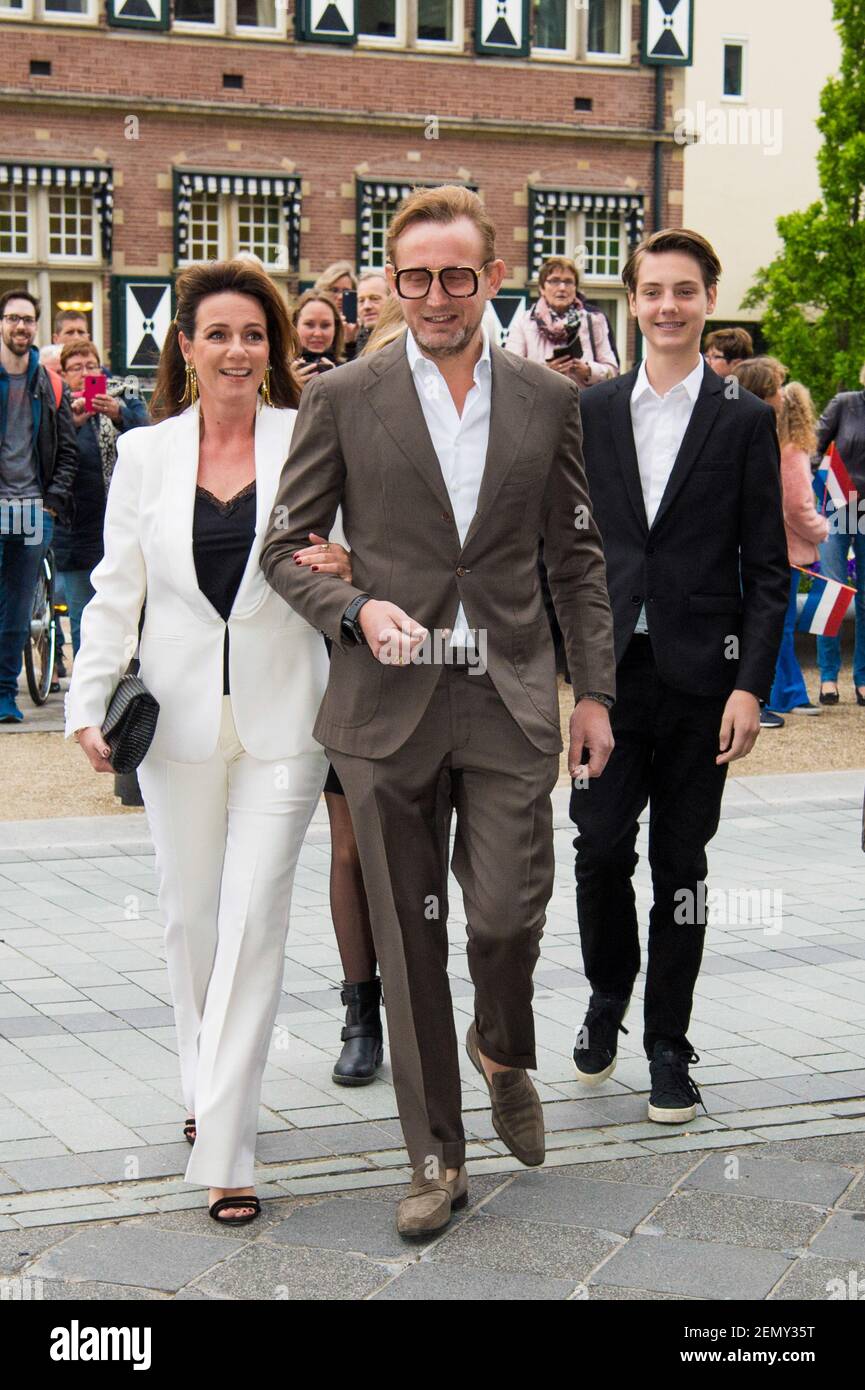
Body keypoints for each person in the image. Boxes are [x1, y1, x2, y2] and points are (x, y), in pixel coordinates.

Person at [261, 183, 616, 1238]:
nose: (435, 295)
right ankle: (433, 1157)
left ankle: (501, 1044)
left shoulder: (549, 400)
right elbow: (284, 545)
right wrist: (356, 603)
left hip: (507, 695)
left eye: (456, 275)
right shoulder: (345, 396)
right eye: (413, 277)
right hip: (384, 705)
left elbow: (578, 552)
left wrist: (593, 689)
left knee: (506, 915)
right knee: (409, 941)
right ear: (392, 283)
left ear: (492, 278)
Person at [66, 259, 341, 1227]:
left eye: (253, 334)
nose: (237, 349)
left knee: (255, 914)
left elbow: (349, 550)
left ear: (274, 349)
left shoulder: (307, 435)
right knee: (190, 921)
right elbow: (115, 587)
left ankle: (227, 1148)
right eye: (217, 333)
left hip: (285, 718)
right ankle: (204, 1092)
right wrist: (86, 700)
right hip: (176, 721)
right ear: (183, 346)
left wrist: (350, 558)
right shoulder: (143, 453)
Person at [570, 228, 789, 1125]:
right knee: (595, 852)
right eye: (652, 290)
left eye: (684, 290)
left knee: (681, 866)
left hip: (707, 680)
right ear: (631, 301)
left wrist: (751, 687)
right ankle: (607, 993)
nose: (667, 305)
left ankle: (668, 1043)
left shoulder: (741, 420)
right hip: (610, 679)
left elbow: (766, 569)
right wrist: (577, 676)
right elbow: (567, 549)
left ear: (707, 300)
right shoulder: (589, 411)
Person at [731, 364, 828, 718]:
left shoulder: (750, 435)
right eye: (777, 387)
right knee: (779, 625)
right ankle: (781, 694)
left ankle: (782, 693)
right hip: (781, 551)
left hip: (751, 550)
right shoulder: (788, 447)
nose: (782, 394)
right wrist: (822, 530)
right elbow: (797, 505)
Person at [0, 289, 77, 723]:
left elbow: (66, 451)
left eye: (27, 319)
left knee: (16, 607)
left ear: (36, 326)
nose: (20, 326)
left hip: (31, 510)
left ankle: (5, 694)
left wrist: (50, 504)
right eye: (12, 318)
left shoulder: (50, 384)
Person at [53, 339, 149, 656]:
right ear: (64, 374)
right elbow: (46, 460)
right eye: (76, 368)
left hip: (123, 529)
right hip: (76, 531)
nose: (85, 373)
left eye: (91, 366)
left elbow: (150, 436)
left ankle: (126, 689)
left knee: (130, 616)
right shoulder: (56, 408)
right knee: (83, 618)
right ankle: (85, 690)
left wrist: (119, 415)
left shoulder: (124, 397)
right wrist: (69, 425)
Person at [812, 362, 865, 707]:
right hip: (839, 504)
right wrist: (819, 479)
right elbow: (812, 445)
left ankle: (862, 678)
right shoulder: (845, 403)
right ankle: (828, 677)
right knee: (832, 591)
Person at [504, 255, 619, 388]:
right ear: (542, 288)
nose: (562, 288)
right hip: (540, 405)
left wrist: (589, 371)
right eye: (554, 281)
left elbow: (613, 371)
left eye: (569, 282)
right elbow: (510, 372)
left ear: (575, 288)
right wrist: (545, 372)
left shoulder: (593, 322)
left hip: (582, 405)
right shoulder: (524, 323)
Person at [291, 290, 345, 393]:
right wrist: (289, 387)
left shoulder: (348, 371)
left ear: (336, 328)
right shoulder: (277, 370)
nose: (317, 333)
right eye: (309, 324)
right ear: (295, 325)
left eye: (325, 326)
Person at [314, 261, 359, 357]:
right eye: (334, 290)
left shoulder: (360, 329)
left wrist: (349, 343)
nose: (340, 297)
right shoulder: (312, 324)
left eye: (346, 292)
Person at [355, 271, 391, 354]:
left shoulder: (405, 342)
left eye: (374, 298)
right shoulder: (354, 342)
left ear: (391, 300)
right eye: (361, 301)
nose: (366, 306)